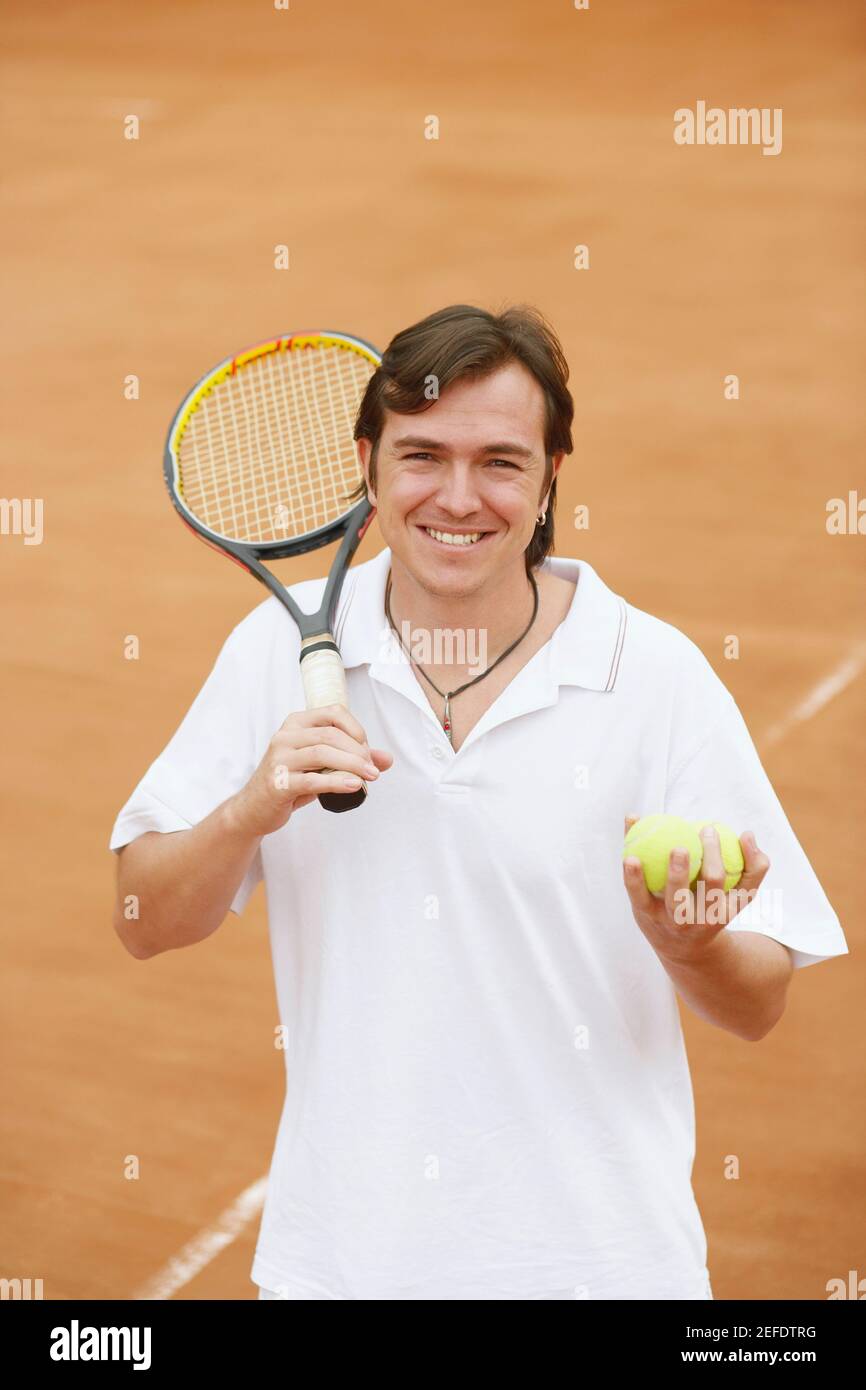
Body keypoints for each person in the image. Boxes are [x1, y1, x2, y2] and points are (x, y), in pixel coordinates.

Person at [110, 304, 847, 1301]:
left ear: (548, 479)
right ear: (364, 465)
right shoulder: (270, 657)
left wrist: (690, 945)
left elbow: (757, 1002)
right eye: (422, 456)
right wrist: (246, 811)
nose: (457, 497)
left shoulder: (652, 675)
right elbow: (143, 919)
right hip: (343, 1270)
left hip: (604, 1271)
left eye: (500, 461)